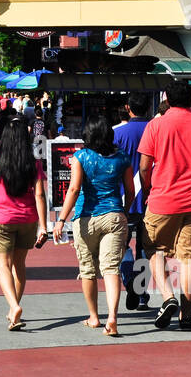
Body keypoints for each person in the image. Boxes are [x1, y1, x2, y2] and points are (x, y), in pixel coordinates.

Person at [137, 81, 191, 331]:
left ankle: (168, 297)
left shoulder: (156, 125)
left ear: (167, 99)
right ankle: (186, 315)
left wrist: (148, 190)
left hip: (163, 200)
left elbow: (144, 166)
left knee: (154, 249)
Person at [57, 115, 134, 336]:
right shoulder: (122, 158)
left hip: (85, 218)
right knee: (111, 269)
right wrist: (124, 210)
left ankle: (94, 316)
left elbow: (74, 190)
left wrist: (61, 219)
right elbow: (130, 191)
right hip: (114, 216)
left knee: (88, 270)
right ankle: (112, 318)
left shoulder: (81, 157)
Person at [0, 115, 48, 330]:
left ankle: (14, 306)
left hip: (0, 218)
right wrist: (44, 226)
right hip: (27, 218)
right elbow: (39, 194)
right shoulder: (33, 160)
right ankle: (13, 311)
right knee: (19, 265)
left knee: (2, 265)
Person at [112, 93, 153, 310]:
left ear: (128, 108)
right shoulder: (157, 130)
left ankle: (129, 281)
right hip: (152, 199)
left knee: (121, 245)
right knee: (146, 248)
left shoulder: (117, 133)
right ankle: (142, 292)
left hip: (124, 199)